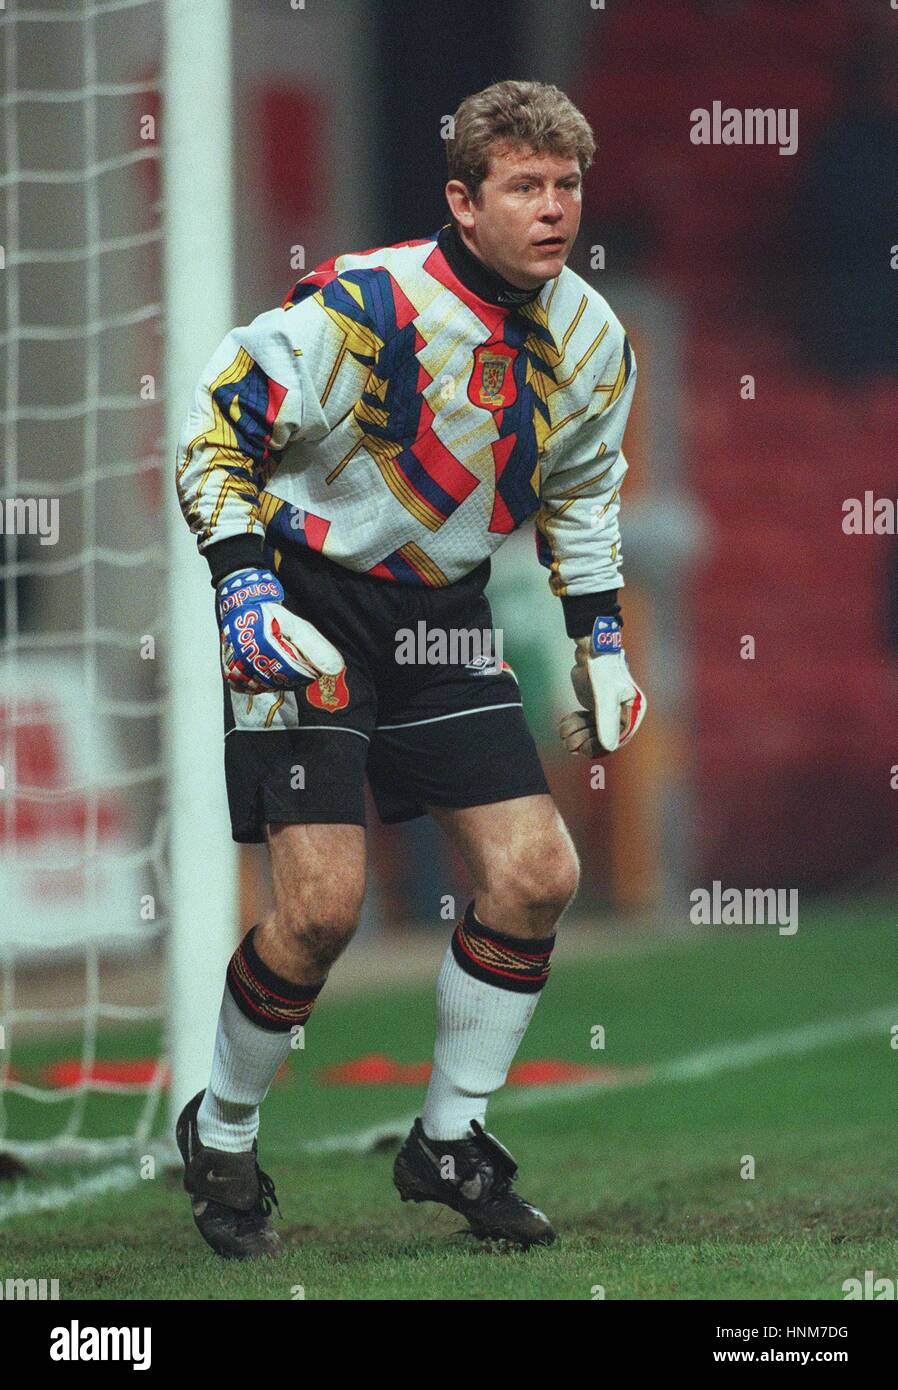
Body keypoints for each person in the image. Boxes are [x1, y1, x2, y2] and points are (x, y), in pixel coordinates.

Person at [173, 79, 646, 1258]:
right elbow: (213, 435)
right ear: (462, 198)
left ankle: (448, 1142)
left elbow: (584, 493)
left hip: (443, 613)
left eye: (566, 186)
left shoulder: (593, 336)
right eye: (524, 187)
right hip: (306, 604)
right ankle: (223, 1131)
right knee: (322, 910)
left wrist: (600, 640)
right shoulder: (361, 305)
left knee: (538, 873)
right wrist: (241, 586)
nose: (552, 210)